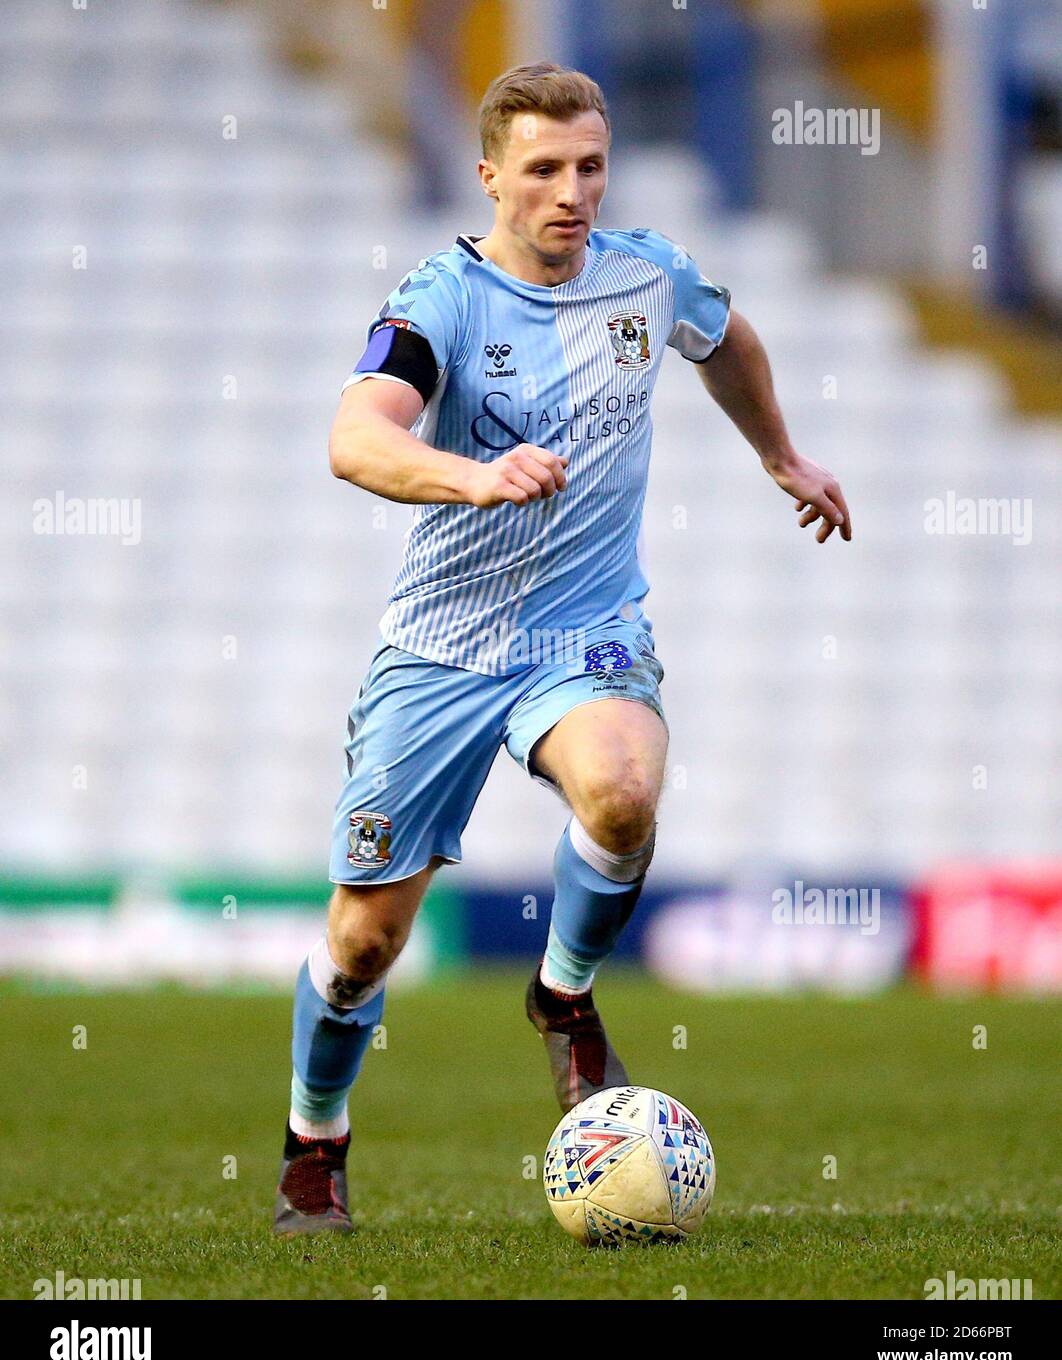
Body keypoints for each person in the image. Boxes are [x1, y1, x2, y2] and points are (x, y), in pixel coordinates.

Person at [274, 62, 851, 1235]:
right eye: (544, 169)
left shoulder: (646, 276)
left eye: (590, 166)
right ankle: (315, 1139)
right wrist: (470, 477)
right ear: (491, 176)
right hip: (441, 648)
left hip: (584, 634)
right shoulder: (441, 298)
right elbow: (354, 438)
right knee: (360, 944)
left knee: (625, 792)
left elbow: (726, 336)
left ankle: (564, 996)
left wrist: (779, 455)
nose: (572, 191)